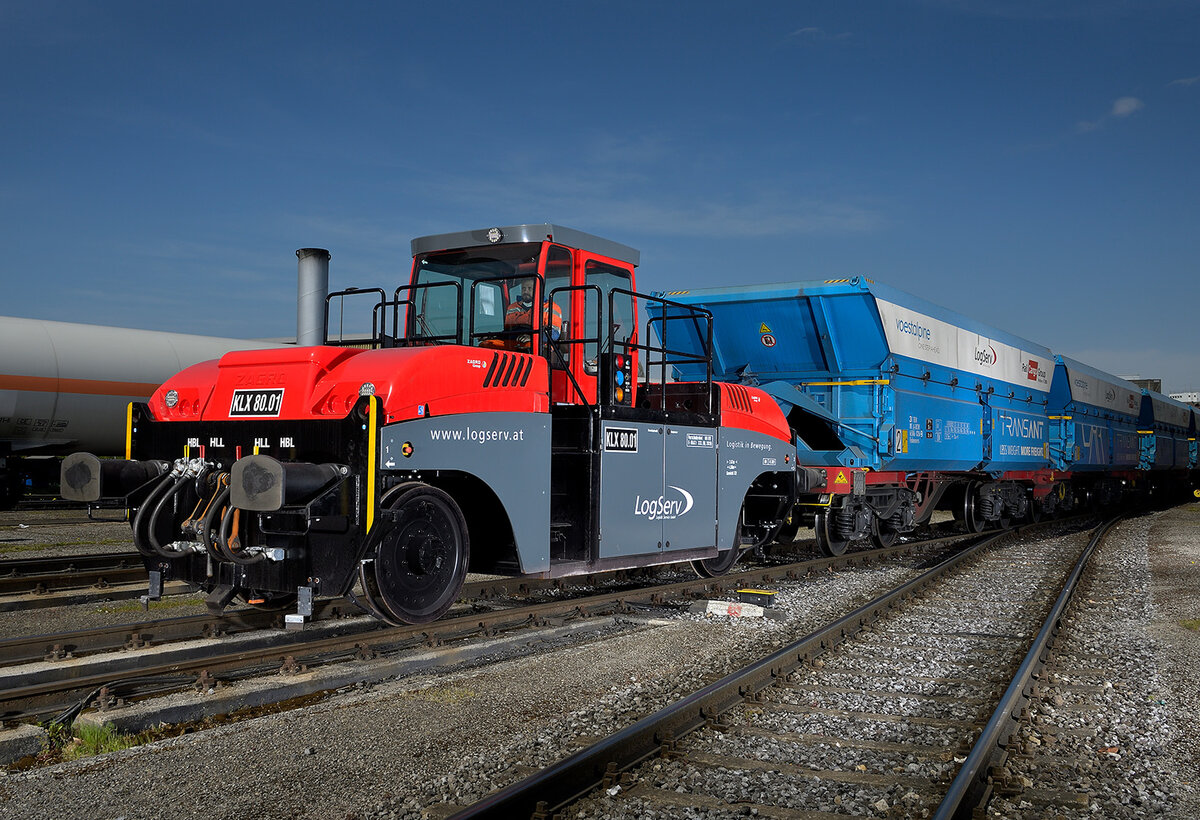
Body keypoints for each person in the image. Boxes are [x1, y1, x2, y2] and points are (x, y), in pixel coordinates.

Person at [502, 280, 563, 352]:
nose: (526, 291)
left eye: (529, 288)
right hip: (515, 346)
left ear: (538, 290)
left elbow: (554, 333)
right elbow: (507, 330)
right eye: (523, 288)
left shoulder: (551, 307)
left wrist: (533, 337)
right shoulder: (512, 307)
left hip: (541, 348)